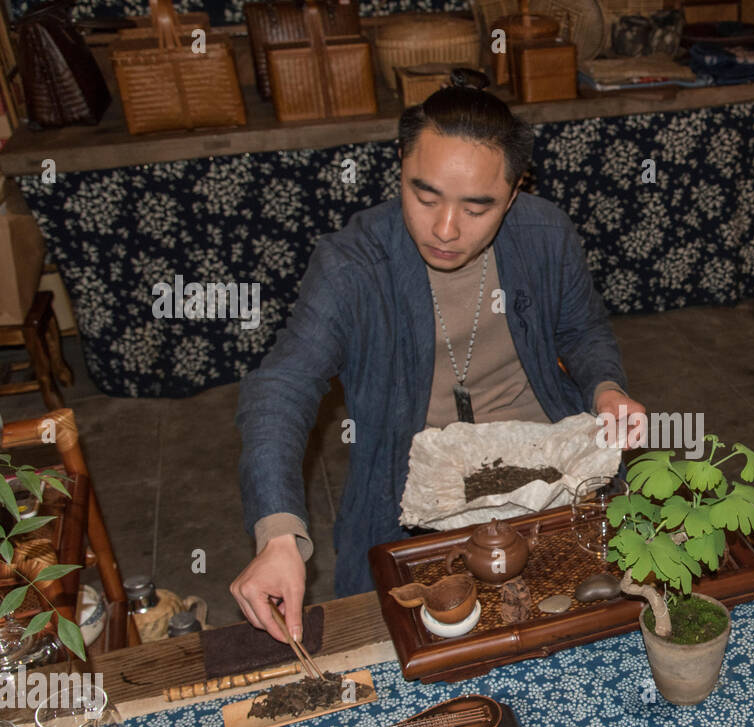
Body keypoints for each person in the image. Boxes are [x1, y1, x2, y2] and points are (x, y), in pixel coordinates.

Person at [232, 70, 645, 643]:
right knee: (416, 643)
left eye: (477, 209)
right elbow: (282, 385)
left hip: (548, 478)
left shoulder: (544, 234)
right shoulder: (354, 265)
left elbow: (581, 331)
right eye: (423, 195)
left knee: (591, 628)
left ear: (516, 188)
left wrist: (606, 389)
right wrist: (278, 533)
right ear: (400, 163)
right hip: (412, 500)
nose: (445, 229)